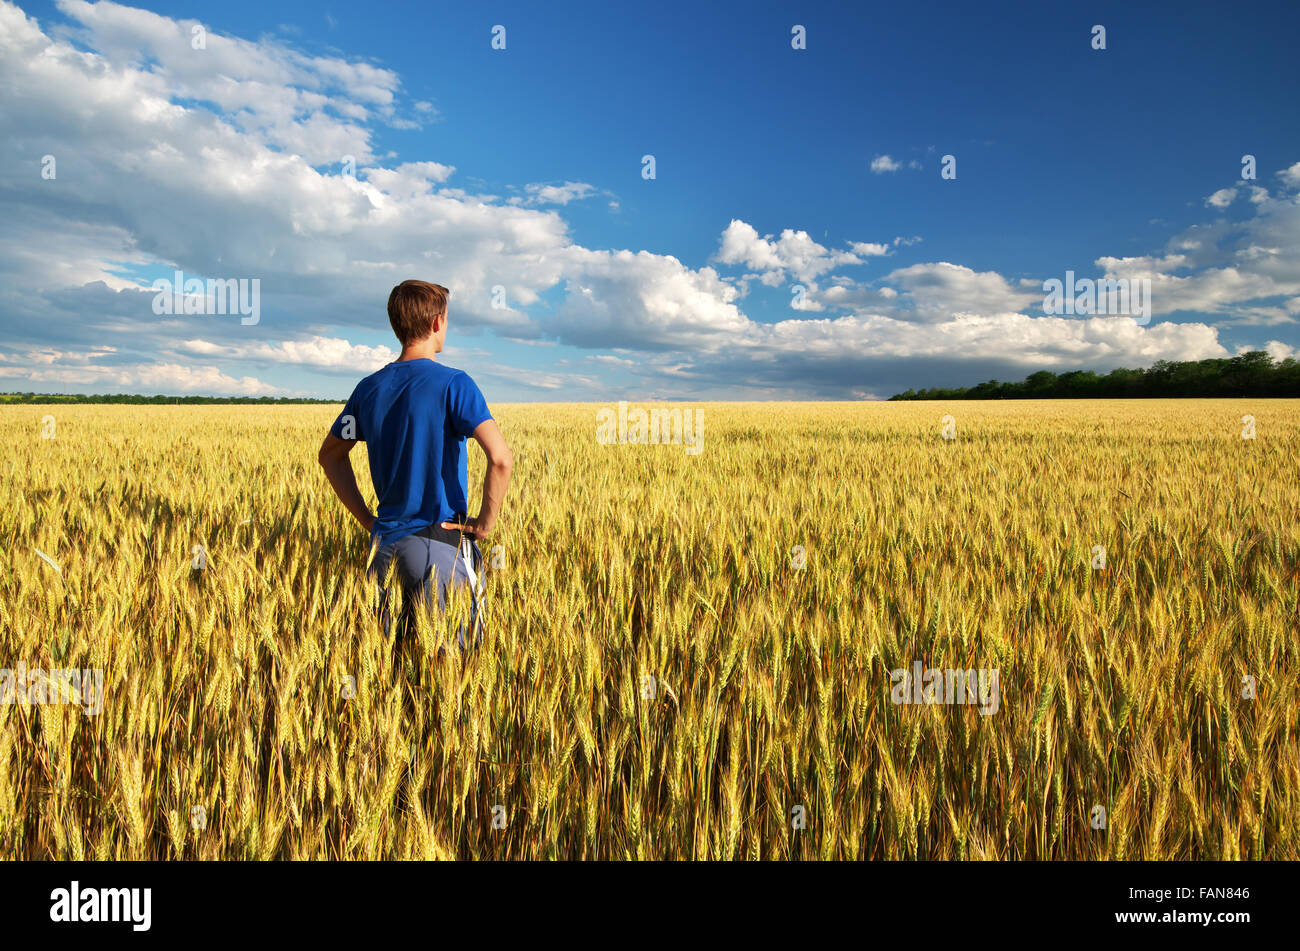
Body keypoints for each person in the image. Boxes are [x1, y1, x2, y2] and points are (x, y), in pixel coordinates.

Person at [317, 280, 513, 650]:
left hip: (384, 548)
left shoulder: (368, 389)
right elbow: (501, 459)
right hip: (439, 545)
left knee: (390, 672)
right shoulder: (456, 384)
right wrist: (484, 525)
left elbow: (330, 455)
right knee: (454, 670)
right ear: (438, 322)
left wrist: (366, 519)